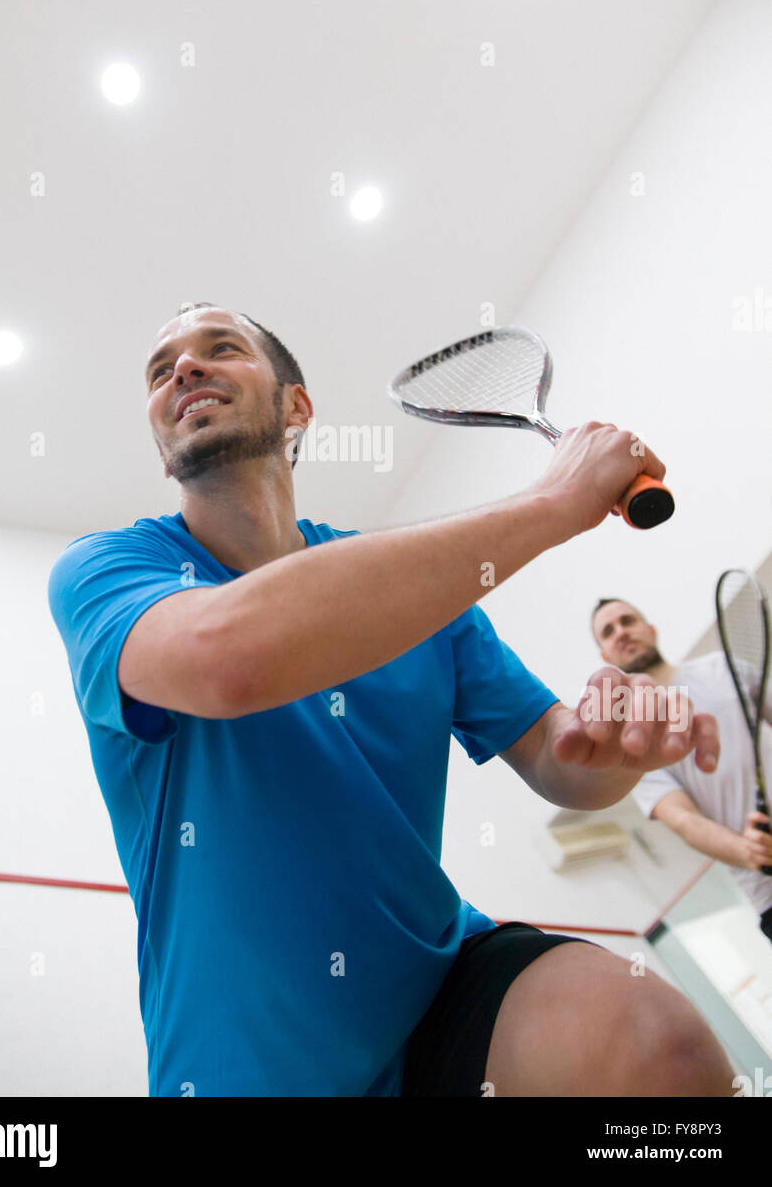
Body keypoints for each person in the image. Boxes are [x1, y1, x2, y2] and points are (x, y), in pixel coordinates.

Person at [48, 301, 732, 1097]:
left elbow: (560, 760)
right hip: (246, 1066)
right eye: (161, 370)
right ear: (163, 444)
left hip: (437, 983)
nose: (184, 370)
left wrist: (613, 748)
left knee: (655, 1048)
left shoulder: (414, 592)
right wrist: (553, 504)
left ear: (296, 408)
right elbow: (225, 660)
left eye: (219, 348)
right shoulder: (106, 571)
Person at [591, 598, 772, 943]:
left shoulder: (722, 667)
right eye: (608, 632)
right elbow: (684, 821)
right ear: (605, 657)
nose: (621, 633)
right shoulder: (632, 745)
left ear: (651, 629)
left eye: (628, 620)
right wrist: (747, 851)